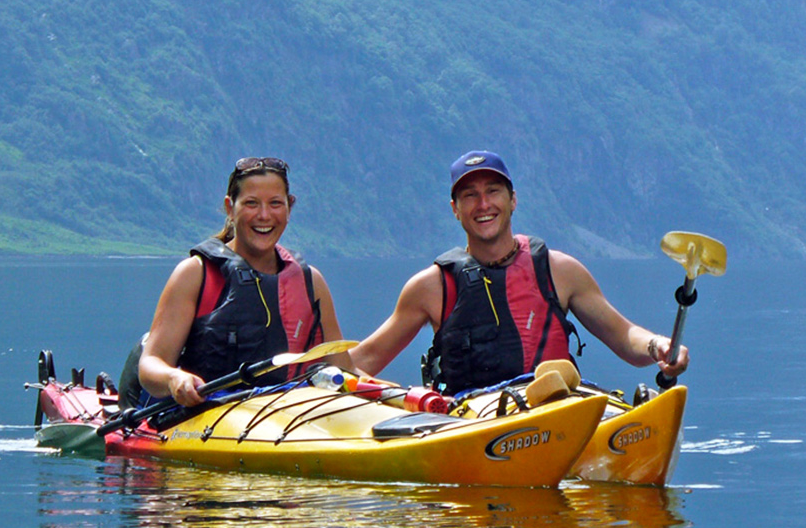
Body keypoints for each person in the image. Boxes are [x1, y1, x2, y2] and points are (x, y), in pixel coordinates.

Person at [350, 150, 689, 395]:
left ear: (513, 199)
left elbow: (624, 337)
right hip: (472, 423)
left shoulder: (561, 271)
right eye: (470, 195)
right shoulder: (430, 287)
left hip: (558, 411)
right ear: (455, 210)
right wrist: (310, 370)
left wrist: (658, 345)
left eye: (493, 191)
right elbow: (365, 359)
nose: (483, 205)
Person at [124, 157, 350, 409]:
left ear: (289, 207)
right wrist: (175, 378)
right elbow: (150, 365)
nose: (264, 216)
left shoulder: (312, 282)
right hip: (206, 418)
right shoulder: (195, 274)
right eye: (251, 203)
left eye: (275, 203)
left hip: (288, 419)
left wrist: (394, 395)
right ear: (230, 207)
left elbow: (345, 370)